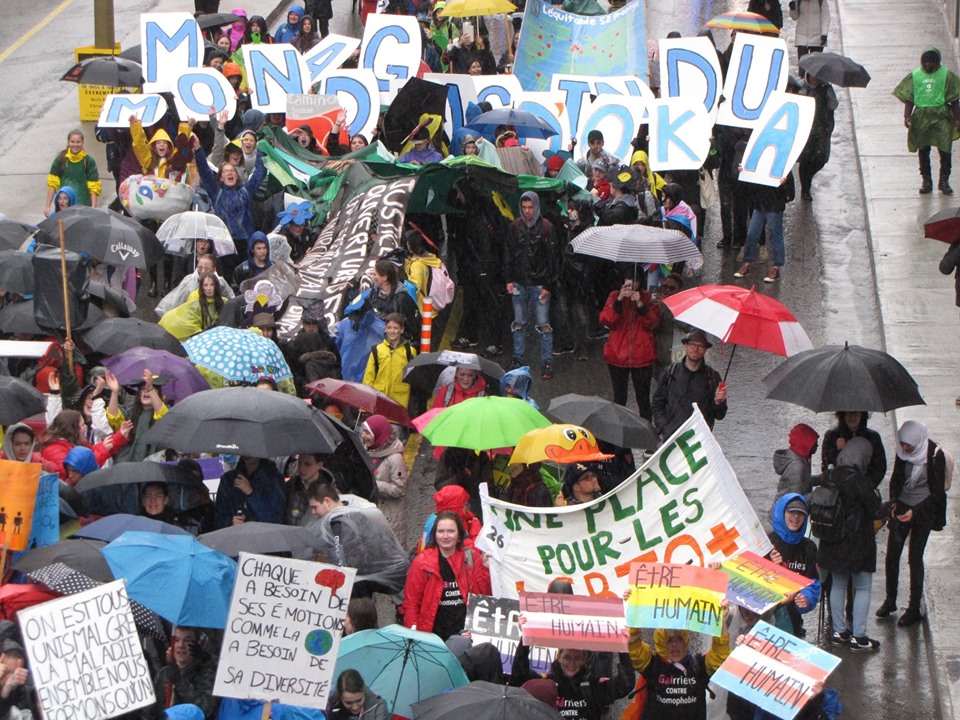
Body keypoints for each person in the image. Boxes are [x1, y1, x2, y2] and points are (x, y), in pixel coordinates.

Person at [877, 420, 949, 627]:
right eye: (902, 443)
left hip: (922, 511)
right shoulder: (903, 453)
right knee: (892, 555)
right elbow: (897, 478)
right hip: (902, 506)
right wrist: (893, 502)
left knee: (915, 557)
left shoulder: (935, 455)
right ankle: (890, 601)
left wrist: (914, 512)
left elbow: (936, 494)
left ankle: (913, 608)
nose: (905, 448)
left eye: (908, 444)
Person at [818, 437, 883, 651]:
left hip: (832, 542)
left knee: (838, 584)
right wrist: (888, 506)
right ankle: (859, 637)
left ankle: (839, 632)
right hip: (858, 544)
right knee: (862, 587)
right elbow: (874, 510)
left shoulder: (831, 474)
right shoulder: (860, 480)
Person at [307, 482, 410, 597]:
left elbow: (339, 562)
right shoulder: (356, 509)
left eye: (315, 507)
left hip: (355, 587)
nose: (313, 512)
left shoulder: (339, 524)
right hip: (369, 580)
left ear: (327, 501)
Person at [403, 510, 491, 640]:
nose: (445, 536)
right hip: (433, 637)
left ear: (459, 535)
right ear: (435, 535)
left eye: (450, 531)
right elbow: (411, 604)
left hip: (466, 635)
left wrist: (486, 569)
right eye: (441, 531)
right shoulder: (421, 563)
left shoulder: (472, 557)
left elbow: (485, 595)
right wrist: (414, 637)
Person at [628, 609, 731, 719]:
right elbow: (635, 648)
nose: (674, 644)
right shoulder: (653, 664)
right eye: (669, 640)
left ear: (685, 642)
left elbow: (720, 655)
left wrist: (721, 620)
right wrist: (633, 608)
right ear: (662, 644)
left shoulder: (699, 665)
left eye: (679, 639)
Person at [505, 191, 560, 380]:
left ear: (536, 207)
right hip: (520, 282)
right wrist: (509, 280)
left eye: (530, 207)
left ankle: (546, 361)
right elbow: (509, 254)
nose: (527, 211)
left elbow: (553, 258)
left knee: (543, 325)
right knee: (519, 324)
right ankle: (518, 358)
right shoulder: (515, 227)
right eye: (524, 207)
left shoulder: (546, 228)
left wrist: (548, 285)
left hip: (538, 284)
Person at [893, 47, 960, 194]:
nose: (928, 65)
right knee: (923, 149)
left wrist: (957, 119)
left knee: (945, 149)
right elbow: (909, 98)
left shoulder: (946, 75)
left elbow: (955, 100)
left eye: (932, 62)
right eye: (925, 62)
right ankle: (926, 180)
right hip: (921, 117)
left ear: (937, 62)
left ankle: (944, 181)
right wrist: (907, 116)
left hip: (941, 116)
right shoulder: (915, 76)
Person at [599, 278, 661, 420]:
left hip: (642, 357)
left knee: (643, 400)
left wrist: (640, 304)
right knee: (619, 399)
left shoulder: (646, 297)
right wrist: (619, 300)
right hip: (617, 356)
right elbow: (606, 320)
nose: (631, 284)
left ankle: (647, 433)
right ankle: (618, 432)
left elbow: (652, 321)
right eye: (628, 280)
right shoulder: (614, 296)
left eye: (635, 280)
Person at [651, 329, 727, 441]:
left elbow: (719, 415)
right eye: (692, 344)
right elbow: (657, 403)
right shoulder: (670, 372)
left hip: (699, 440)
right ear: (685, 346)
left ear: (705, 350)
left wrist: (718, 402)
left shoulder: (712, 377)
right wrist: (664, 427)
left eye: (700, 346)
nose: (695, 349)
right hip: (673, 438)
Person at [768, 494, 821, 637]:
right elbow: (749, 581)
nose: (796, 517)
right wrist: (770, 566)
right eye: (791, 512)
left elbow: (813, 582)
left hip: (792, 621)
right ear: (781, 512)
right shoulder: (767, 542)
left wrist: (806, 598)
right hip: (765, 619)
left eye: (801, 514)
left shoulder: (809, 547)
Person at [144, 627, 219, 719]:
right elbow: (149, 712)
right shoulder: (163, 673)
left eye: (188, 641)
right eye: (176, 640)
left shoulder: (205, 673)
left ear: (197, 644)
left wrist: (178, 681)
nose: (181, 645)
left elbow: (204, 708)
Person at [733, 173, 795, 283]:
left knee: (775, 236)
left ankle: (776, 267)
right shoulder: (761, 166)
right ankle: (747, 263)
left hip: (774, 206)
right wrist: (745, 173)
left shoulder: (785, 169)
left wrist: (782, 186)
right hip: (760, 205)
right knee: (752, 234)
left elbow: (790, 195)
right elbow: (751, 187)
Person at [39, 409, 132, 482]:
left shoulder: (74, 443)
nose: (86, 427)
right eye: (82, 425)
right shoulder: (53, 449)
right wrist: (103, 453)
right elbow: (71, 474)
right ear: (73, 430)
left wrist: (120, 436)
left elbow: (95, 450)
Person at [361, 415, 408, 545]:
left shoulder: (395, 459)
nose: (364, 436)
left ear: (379, 434)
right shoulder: (368, 452)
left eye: (368, 433)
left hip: (391, 519)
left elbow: (400, 489)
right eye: (363, 431)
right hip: (373, 514)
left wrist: (376, 484)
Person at [214, 456, 286, 529]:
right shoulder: (228, 479)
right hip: (237, 536)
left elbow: (276, 518)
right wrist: (230, 523)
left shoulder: (274, 479)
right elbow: (219, 516)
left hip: (265, 535)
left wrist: (251, 493)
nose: (247, 454)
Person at [362, 313, 417, 408]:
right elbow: (368, 377)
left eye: (396, 328)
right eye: (389, 327)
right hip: (379, 399)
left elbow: (413, 378)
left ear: (402, 330)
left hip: (400, 401)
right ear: (385, 329)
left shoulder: (409, 351)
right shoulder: (377, 350)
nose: (392, 331)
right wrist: (366, 403)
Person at [798, 73, 838, 200]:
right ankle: (805, 188)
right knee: (805, 160)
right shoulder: (801, 87)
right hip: (805, 131)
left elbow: (833, 105)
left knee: (820, 159)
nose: (815, 78)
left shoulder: (826, 88)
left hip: (821, 131)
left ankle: (807, 178)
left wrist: (829, 94)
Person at [820, 411, 887, 486]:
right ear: (842, 415)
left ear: (862, 415)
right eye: (848, 413)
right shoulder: (832, 435)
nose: (852, 417)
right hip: (837, 489)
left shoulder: (872, 437)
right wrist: (838, 452)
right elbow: (826, 465)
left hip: (863, 489)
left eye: (856, 413)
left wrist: (865, 485)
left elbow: (879, 467)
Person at [44, 129, 100, 215]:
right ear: (68, 142)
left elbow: (94, 188)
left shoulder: (89, 161)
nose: (75, 145)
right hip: (64, 206)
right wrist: (47, 206)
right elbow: (52, 184)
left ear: (83, 142)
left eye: (78, 142)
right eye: (72, 142)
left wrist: (93, 208)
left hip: (83, 206)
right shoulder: (60, 160)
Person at [159, 272, 226, 341]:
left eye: (212, 285)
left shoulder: (225, 302)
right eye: (205, 285)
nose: (209, 288)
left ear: (216, 286)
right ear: (201, 287)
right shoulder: (195, 302)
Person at [773, 422, 820, 501]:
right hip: (785, 511)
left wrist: (821, 478)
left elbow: (804, 482)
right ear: (806, 444)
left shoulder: (802, 460)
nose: (817, 445)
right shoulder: (797, 467)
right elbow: (795, 500)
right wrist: (818, 495)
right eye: (814, 443)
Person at [790, 0, 829, 64]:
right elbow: (795, 17)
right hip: (801, 36)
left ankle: (810, 74)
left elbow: (825, 17)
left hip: (817, 37)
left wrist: (824, 34)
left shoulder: (821, 1)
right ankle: (802, 74)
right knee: (802, 64)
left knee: (814, 65)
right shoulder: (799, 1)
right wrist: (792, 9)